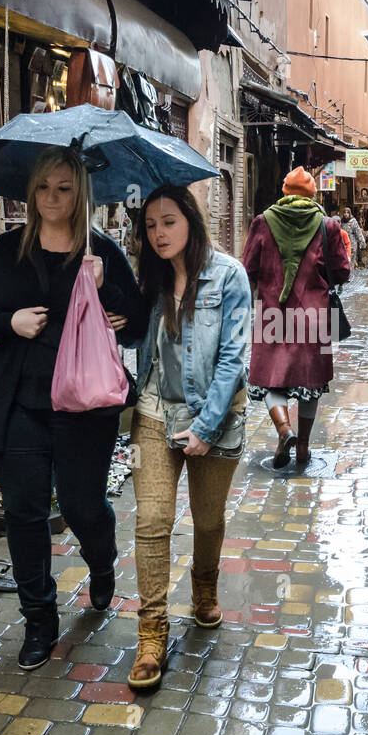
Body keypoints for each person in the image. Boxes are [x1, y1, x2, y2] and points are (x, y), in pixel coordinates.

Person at [0, 146, 149, 670]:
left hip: (84, 408)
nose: (52, 197)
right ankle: (38, 620)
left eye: (64, 188)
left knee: (81, 506)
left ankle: (101, 563)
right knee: (24, 513)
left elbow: (137, 324)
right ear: (32, 192)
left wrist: (108, 291)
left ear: (80, 194)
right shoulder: (8, 250)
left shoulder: (103, 252)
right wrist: (10, 324)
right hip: (20, 404)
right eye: (44, 188)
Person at [123, 186, 251, 688]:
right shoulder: (150, 279)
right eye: (151, 224)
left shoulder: (228, 276)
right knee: (152, 521)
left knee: (208, 520)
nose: (158, 233)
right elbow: (138, 342)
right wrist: (100, 298)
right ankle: (151, 634)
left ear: (191, 223)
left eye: (168, 222)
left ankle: (204, 587)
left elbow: (233, 359)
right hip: (154, 413)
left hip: (215, 421)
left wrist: (205, 427)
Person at [242, 166, 351, 469]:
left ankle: (283, 430)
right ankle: (302, 448)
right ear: (312, 195)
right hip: (315, 320)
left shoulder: (262, 222)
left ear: (285, 192)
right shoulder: (328, 225)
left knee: (269, 381)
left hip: (271, 316)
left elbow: (246, 269)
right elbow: (343, 271)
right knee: (310, 385)